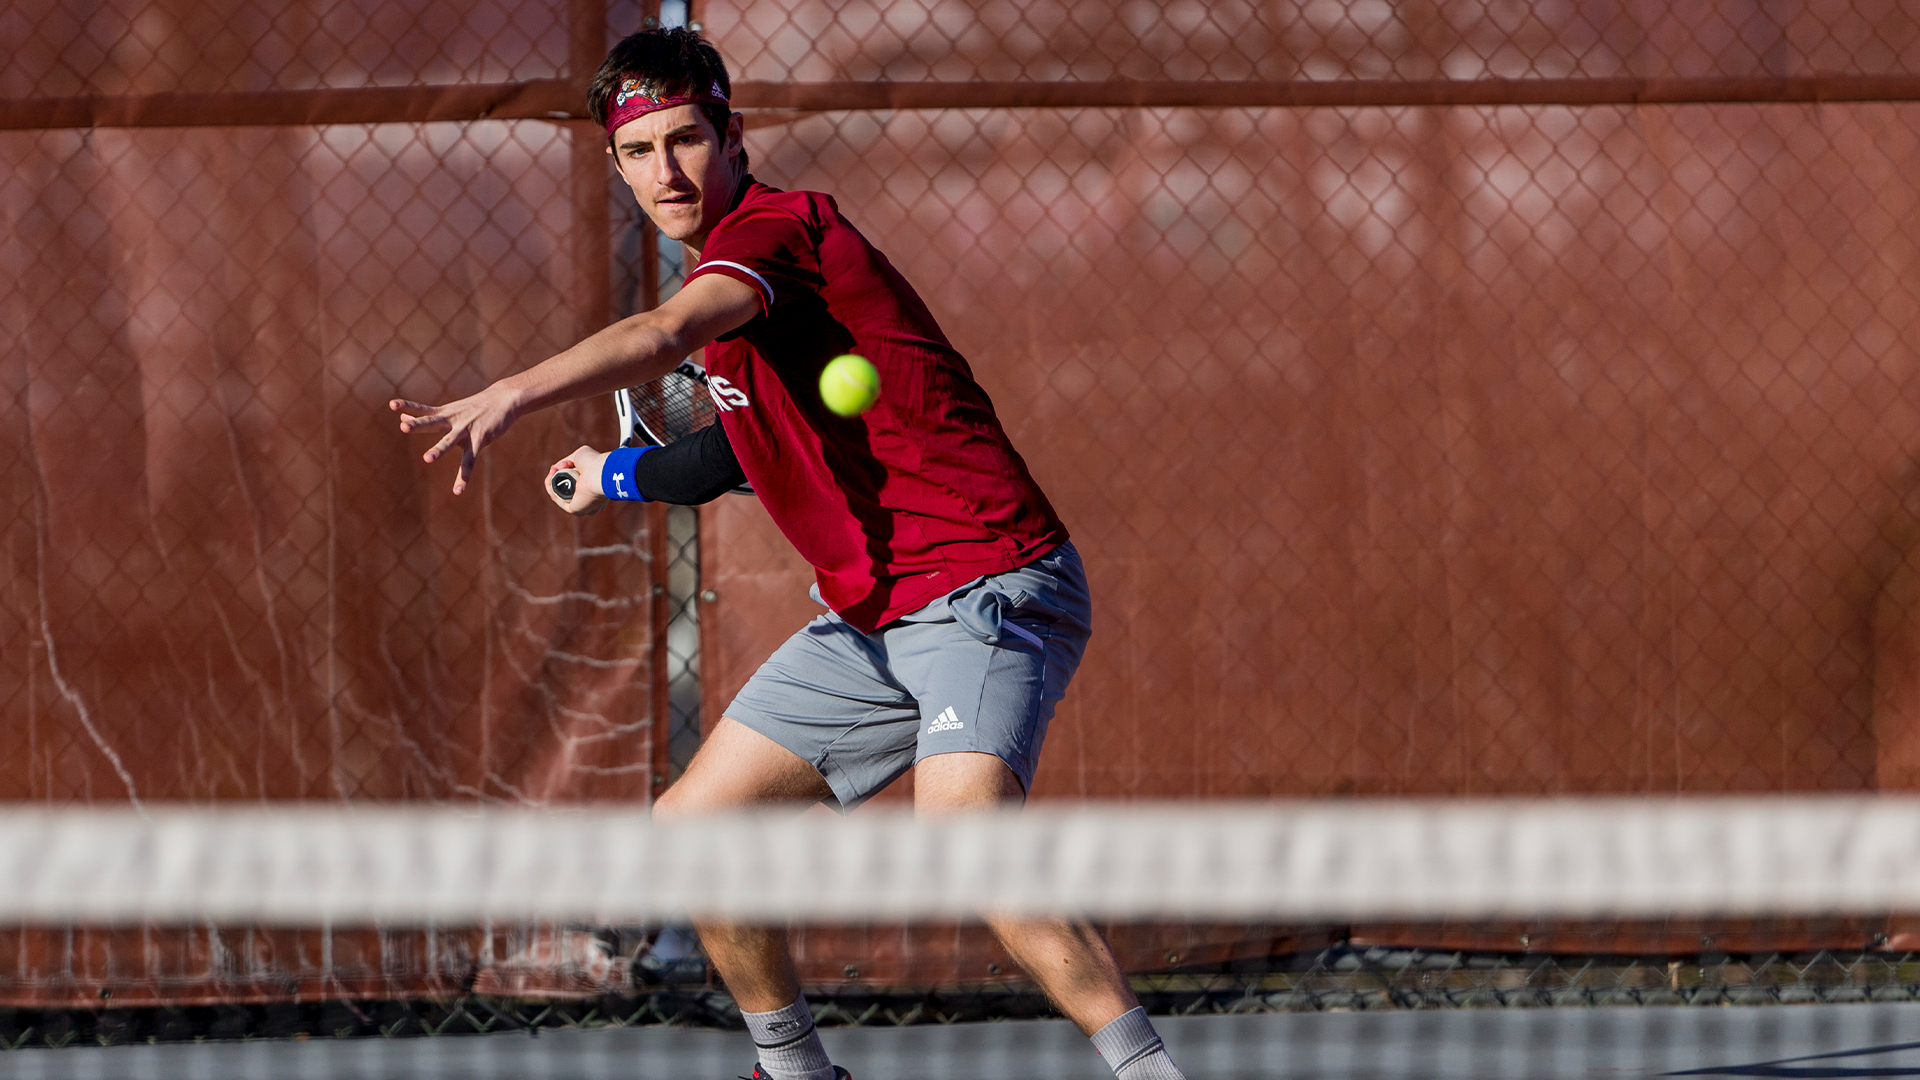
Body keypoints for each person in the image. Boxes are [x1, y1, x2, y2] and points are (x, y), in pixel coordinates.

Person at [390, 26, 1186, 1080]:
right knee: (696, 824)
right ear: (616, 163)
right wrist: (613, 475)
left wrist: (512, 393)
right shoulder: (735, 312)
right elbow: (735, 447)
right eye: (639, 151)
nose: (666, 171)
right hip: (876, 616)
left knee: (968, 843)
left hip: (987, 584)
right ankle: (795, 1071)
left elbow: (663, 336)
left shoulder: (777, 236)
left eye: (686, 140)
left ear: (732, 136)